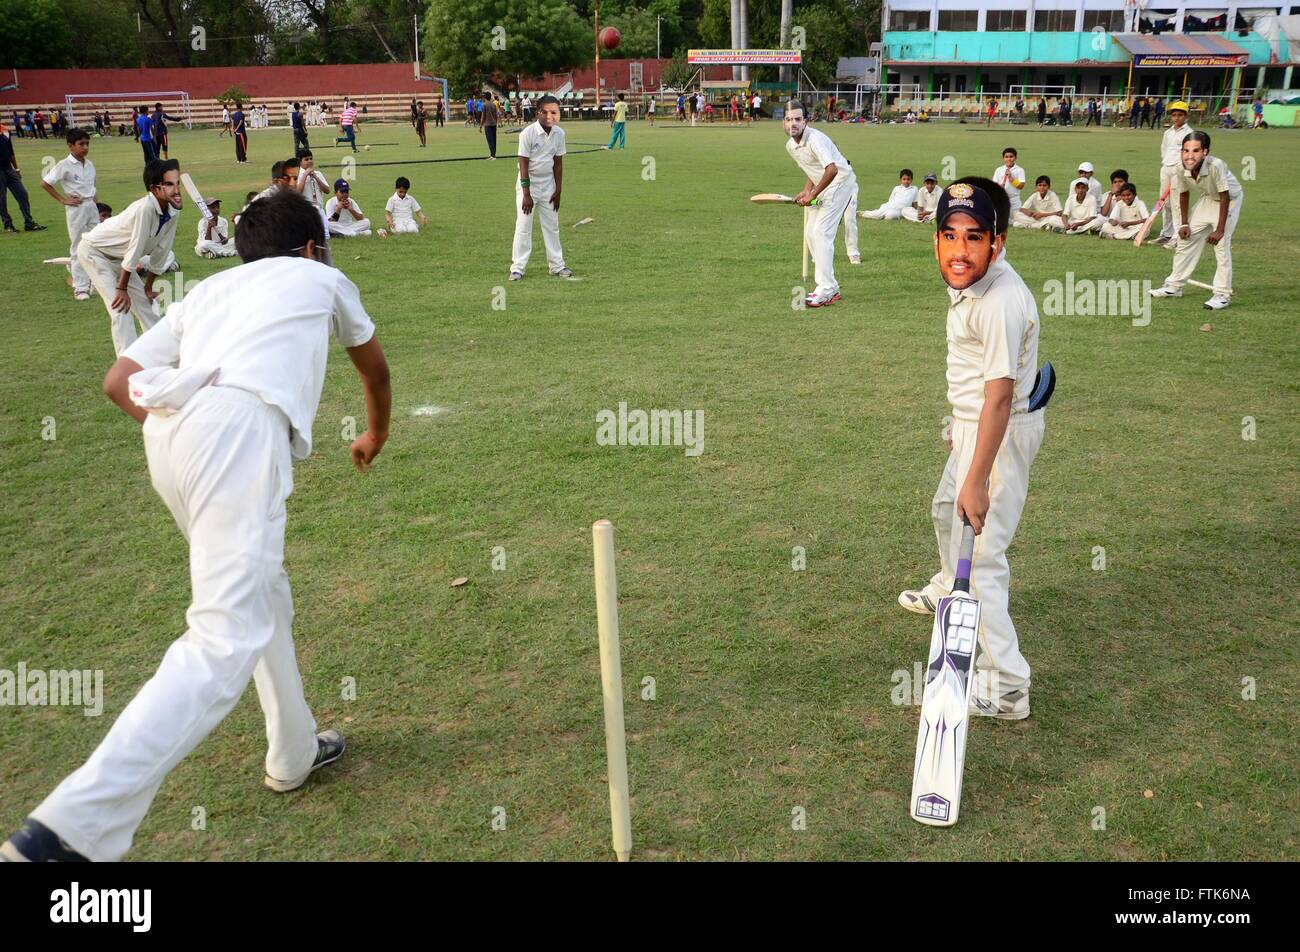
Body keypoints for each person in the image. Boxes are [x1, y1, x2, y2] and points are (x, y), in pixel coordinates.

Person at [0, 189, 391, 863]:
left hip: (170, 433)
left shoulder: (208, 292)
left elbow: (118, 379)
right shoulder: (322, 274)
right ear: (308, 247)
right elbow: (372, 362)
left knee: (264, 596)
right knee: (223, 637)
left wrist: (186, 431)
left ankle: (294, 752)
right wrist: (376, 432)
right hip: (238, 430)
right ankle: (68, 831)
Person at [897, 177, 1045, 723]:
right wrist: (960, 426)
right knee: (944, 509)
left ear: (997, 242)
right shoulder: (969, 279)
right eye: (950, 235)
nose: (960, 250)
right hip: (973, 423)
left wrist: (978, 475)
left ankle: (1007, 686)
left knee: (982, 561)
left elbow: (1002, 396)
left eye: (975, 237)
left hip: (1000, 434)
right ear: (935, 239)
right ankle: (944, 586)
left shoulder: (1000, 300)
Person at [77, 158, 183, 355]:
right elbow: (135, 249)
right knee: (120, 308)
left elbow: (161, 252)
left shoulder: (173, 211)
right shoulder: (146, 208)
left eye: (178, 183)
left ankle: (164, 357)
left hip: (121, 259)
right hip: (95, 252)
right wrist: (121, 288)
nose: (176, 190)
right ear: (154, 189)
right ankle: (128, 367)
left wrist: (148, 287)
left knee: (146, 304)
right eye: (169, 184)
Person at [1150, 131, 1241, 310]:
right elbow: (1183, 193)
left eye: (1196, 151)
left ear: (1205, 152)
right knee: (1185, 240)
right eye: (1186, 151)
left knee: (1221, 246)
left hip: (1229, 201)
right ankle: (1174, 286)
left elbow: (1225, 196)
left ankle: (1222, 294)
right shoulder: (1180, 167)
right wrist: (1184, 224)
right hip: (1208, 198)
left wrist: (1220, 229)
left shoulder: (1216, 165)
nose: (1189, 156)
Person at [782, 99, 858, 306]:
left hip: (841, 182)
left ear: (806, 121)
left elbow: (831, 169)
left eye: (798, 119)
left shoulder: (815, 139)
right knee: (810, 233)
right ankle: (829, 284)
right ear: (783, 122)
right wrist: (807, 190)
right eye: (789, 119)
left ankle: (827, 288)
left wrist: (813, 194)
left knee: (821, 232)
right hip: (823, 185)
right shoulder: (791, 146)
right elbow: (812, 169)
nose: (793, 124)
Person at [510, 95, 571, 280]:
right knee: (523, 226)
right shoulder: (527, 134)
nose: (550, 116)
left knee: (552, 226)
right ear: (538, 113)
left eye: (554, 112)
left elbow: (558, 163)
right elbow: (523, 164)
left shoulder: (559, 134)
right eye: (545, 112)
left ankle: (557, 266)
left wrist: (558, 190)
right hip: (528, 184)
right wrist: (526, 194)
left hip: (549, 185)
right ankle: (518, 268)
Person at [40, 127, 98, 300]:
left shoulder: (89, 164)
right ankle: (80, 288)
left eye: (87, 143)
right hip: (77, 209)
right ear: (71, 146)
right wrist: (63, 199)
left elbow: (92, 188)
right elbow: (46, 183)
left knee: (96, 244)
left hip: (91, 206)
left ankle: (96, 282)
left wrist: (97, 204)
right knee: (78, 246)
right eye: (81, 144)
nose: (85, 147)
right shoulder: (64, 165)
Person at [1154, 101, 1194, 246]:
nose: (1177, 118)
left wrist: (1183, 168)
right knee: (1164, 202)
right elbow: (1164, 149)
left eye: (1180, 115)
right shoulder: (1168, 132)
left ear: (1185, 116)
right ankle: (1166, 233)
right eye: (1174, 115)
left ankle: (1177, 236)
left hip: (1179, 169)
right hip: (1166, 167)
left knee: (1177, 202)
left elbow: (1189, 153)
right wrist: (1166, 162)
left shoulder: (1189, 133)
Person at [0, 120, 47, 234]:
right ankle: (8, 225)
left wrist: (16, 169)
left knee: (22, 194)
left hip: (9, 169)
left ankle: (29, 223)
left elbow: (11, 152)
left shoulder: (5, 131)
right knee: (1, 198)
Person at [992, 147, 1026, 218]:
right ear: (1003, 158)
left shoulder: (1020, 170)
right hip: (1001, 200)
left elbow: (1021, 186)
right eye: (1006, 157)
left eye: (1011, 157)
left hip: (1014, 201)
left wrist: (1011, 178)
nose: (1009, 159)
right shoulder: (999, 170)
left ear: (1015, 158)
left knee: (1016, 220)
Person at [479, 90, 499, 159]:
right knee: (494, 140)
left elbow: (483, 116)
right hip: (493, 124)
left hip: (487, 125)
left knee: (490, 140)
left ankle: (492, 156)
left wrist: (480, 126)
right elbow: (496, 116)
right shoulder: (493, 104)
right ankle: (493, 155)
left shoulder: (484, 105)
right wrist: (496, 124)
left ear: (485, 97)